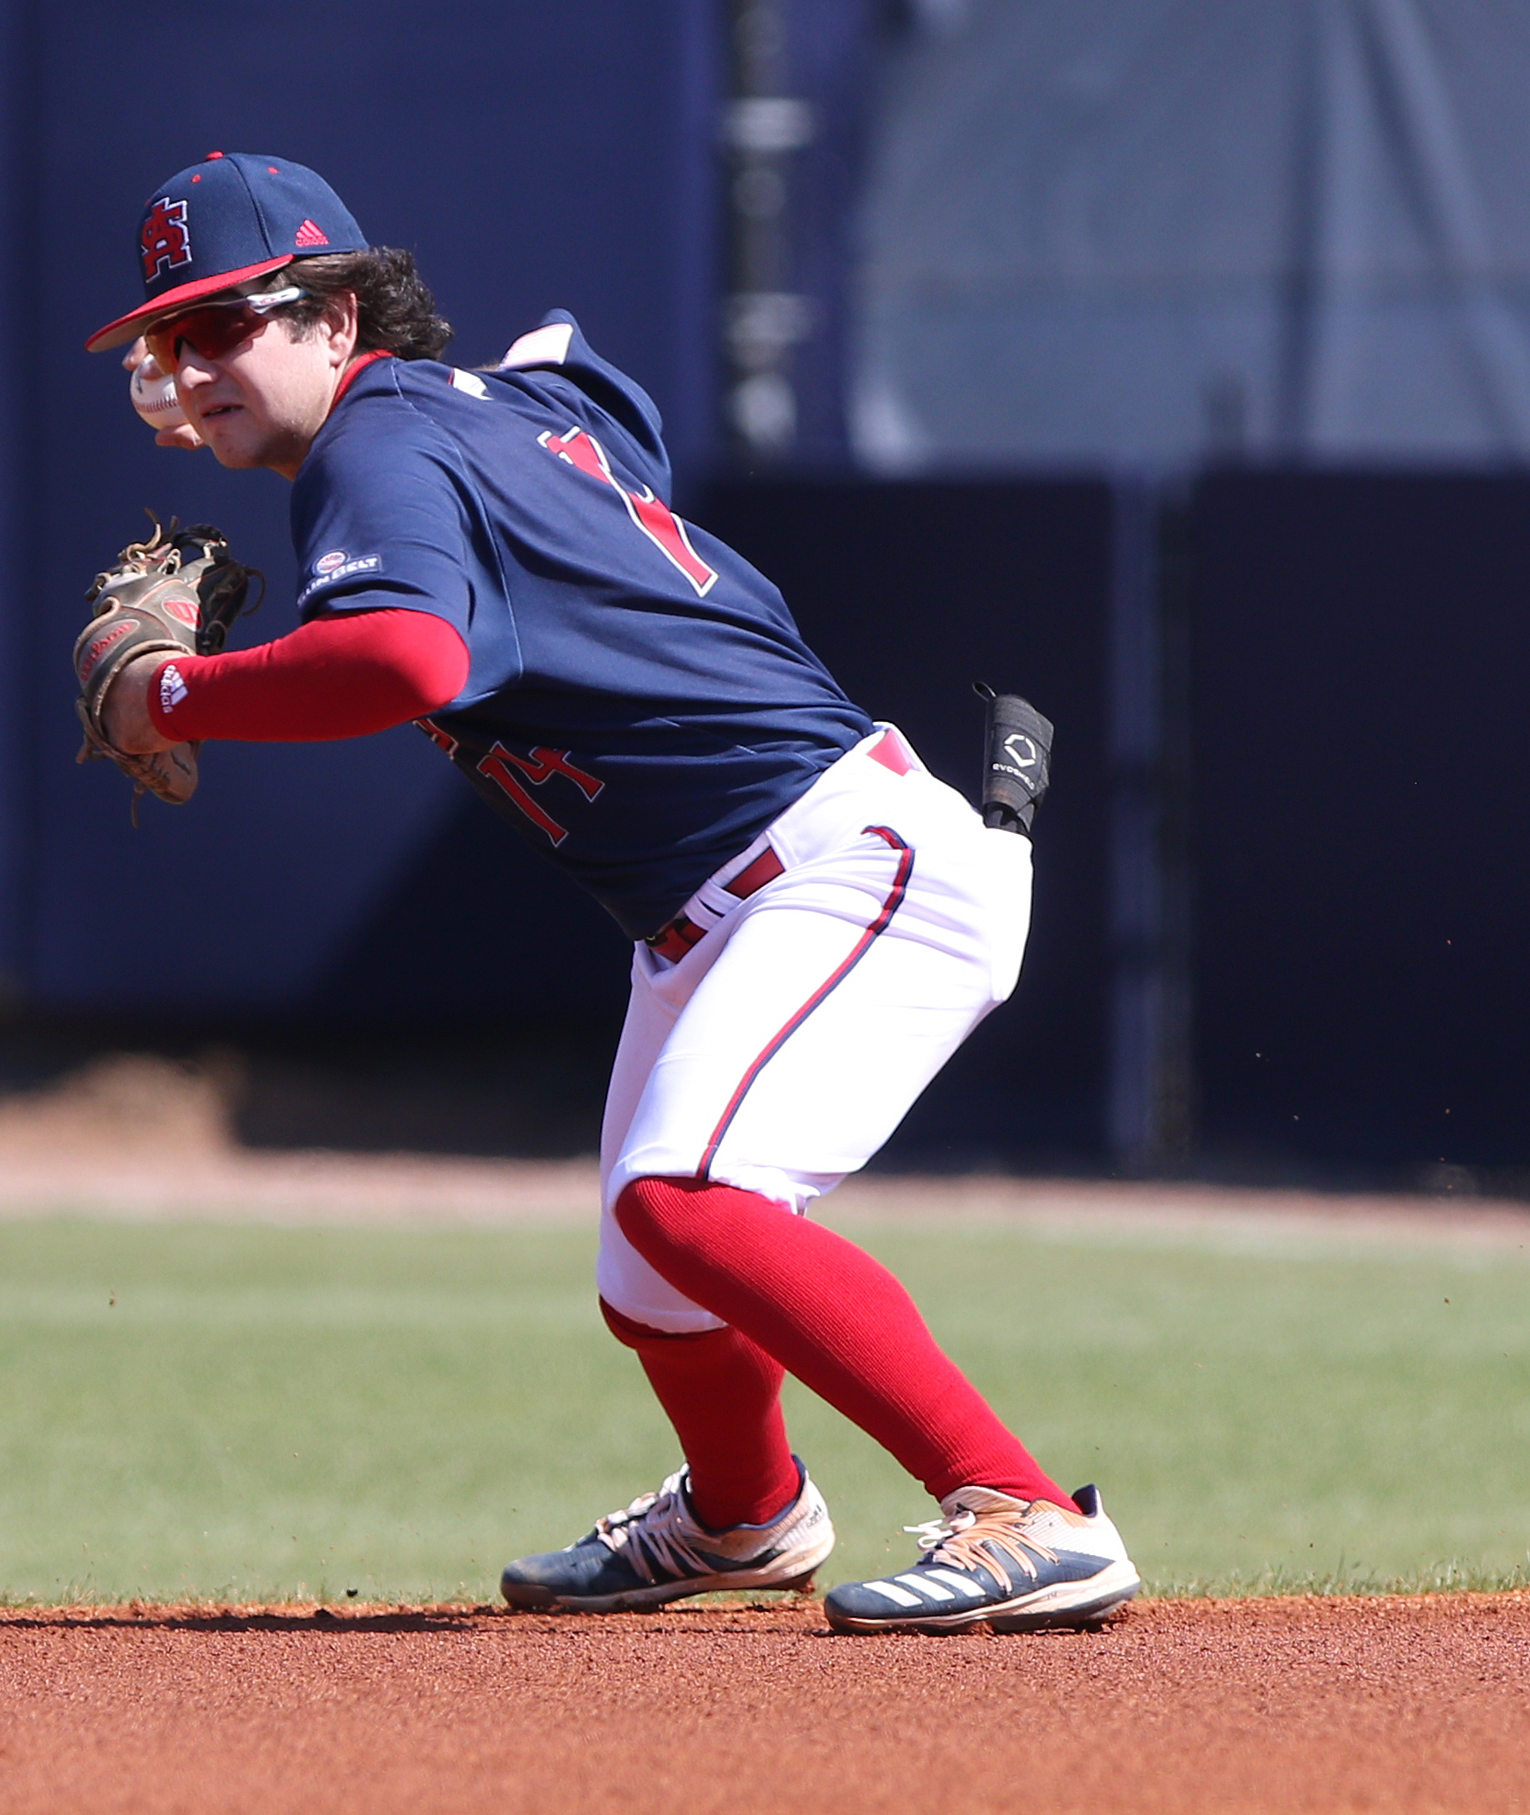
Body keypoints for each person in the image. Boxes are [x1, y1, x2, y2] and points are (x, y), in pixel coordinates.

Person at [83, 152, 1140, 1634]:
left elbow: (407, 664)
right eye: (173, 337)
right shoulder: (473, 416)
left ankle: (1023, 1507)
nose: (195, 364)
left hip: (842, 861)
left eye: (230, 323)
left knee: (692, 1196)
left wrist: (173, 694)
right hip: (712, 900)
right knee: (655, 1282)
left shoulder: (373, 448)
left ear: (337, 317)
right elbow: (599, 390)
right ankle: (745, 1514)